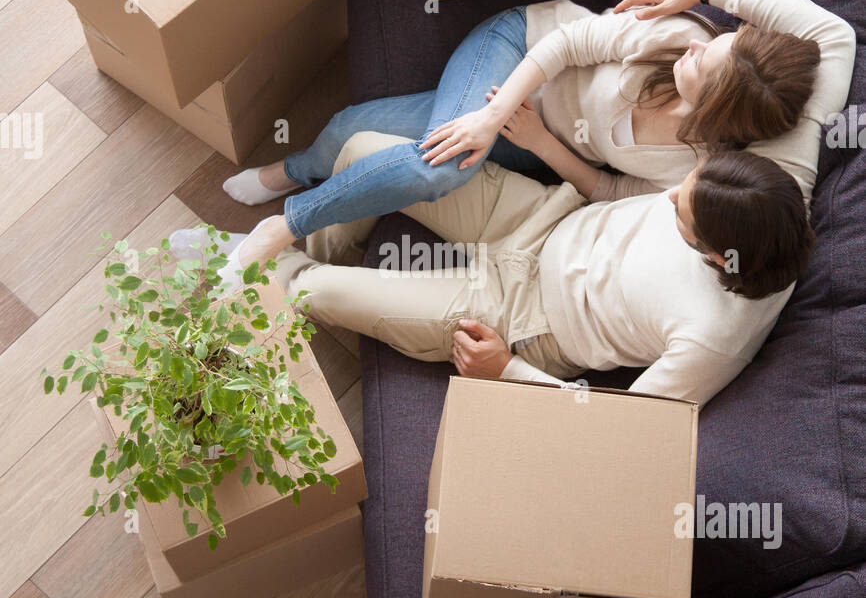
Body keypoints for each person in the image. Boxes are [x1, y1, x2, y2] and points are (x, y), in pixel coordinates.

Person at [219, 0, 854, 253]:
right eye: (716, 38)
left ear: (715, 110)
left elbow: (609, 190)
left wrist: (538, 142)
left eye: (704, 65)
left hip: (534, 135)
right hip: (517, 51)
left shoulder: (694, 170)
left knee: (356, 129)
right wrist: (492, 120)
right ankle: (291, 201)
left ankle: (296, 189)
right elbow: (567, 43)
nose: (697, 43)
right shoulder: (674, 35)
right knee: (444, 167)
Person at [195, 137, 814, 409]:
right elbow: (832, 39)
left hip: (526, 319)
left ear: (713, 258)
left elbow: (628, 429)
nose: (668, 193)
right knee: (364, 154)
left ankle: (276, 269)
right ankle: (314, 248)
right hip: (544, 217)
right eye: (683, 184)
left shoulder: (716, 336)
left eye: (680, 208)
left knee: (314, 291)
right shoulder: (776, 193)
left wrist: (508, 372)